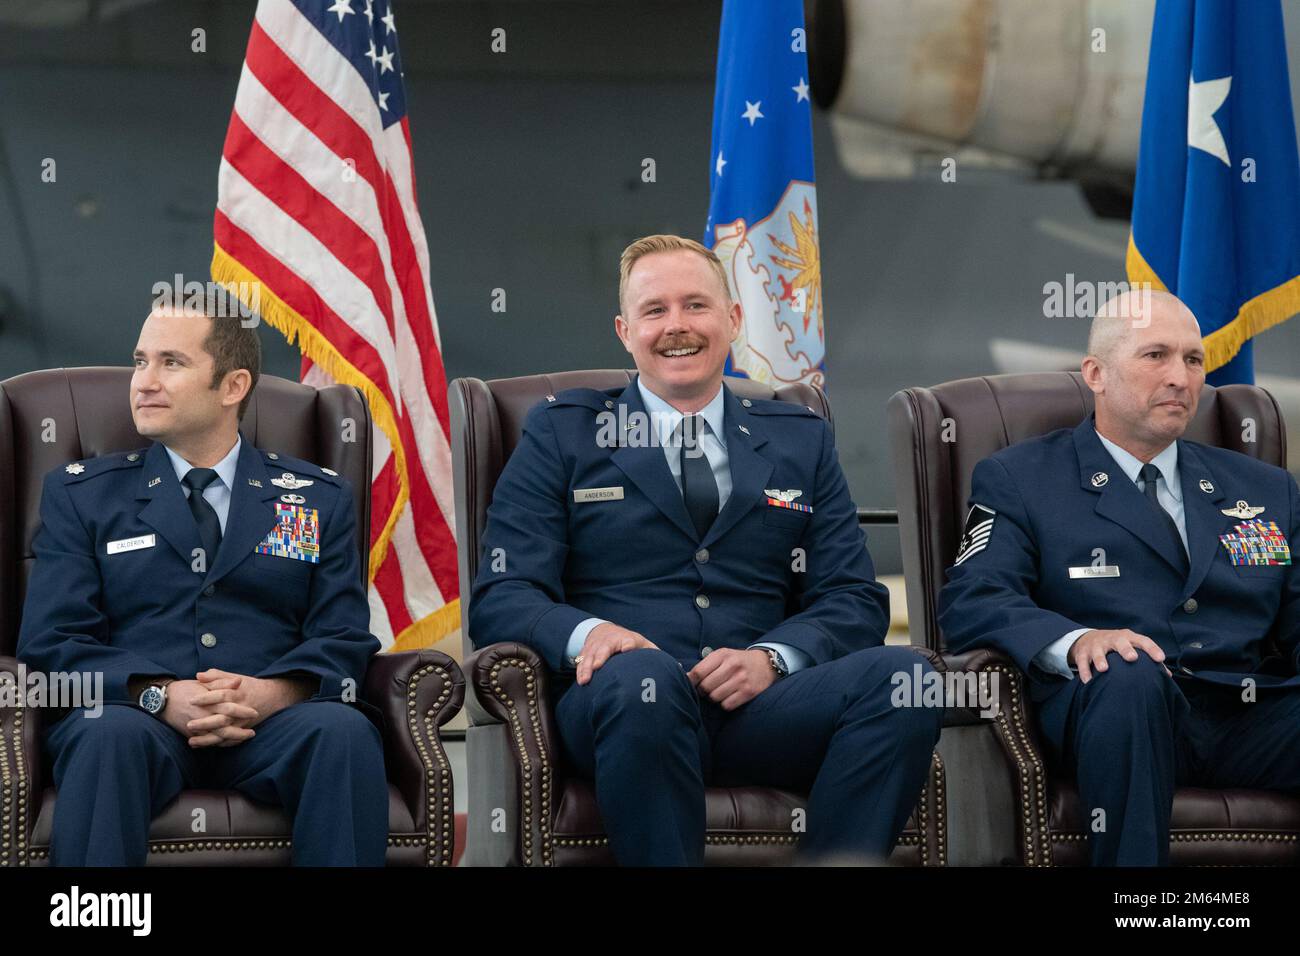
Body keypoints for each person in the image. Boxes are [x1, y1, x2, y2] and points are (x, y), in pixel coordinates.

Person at [470, 234, 942, 865]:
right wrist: (592, 635)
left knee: (906, 678)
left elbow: (853, 597)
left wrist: (772, 660)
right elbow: (503, 594)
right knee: (644, 680)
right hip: (623, 706)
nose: (677, 327)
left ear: (734, 320)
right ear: (624, 330)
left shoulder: (800, 440)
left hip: (760, 708)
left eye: (696, 305)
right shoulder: (564, 433)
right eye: (655, 310)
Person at [17, 293, 387, 866]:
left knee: (343, 733)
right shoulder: (83, 495)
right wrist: (158, 694)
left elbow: (342, 636)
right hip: (133, 719)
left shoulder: (316, 498)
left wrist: (271, 694)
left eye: (171, 363)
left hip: (273, 723)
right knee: (104, 736)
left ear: (233, 386)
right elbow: (52, 644)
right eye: (141, 361)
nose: (143, 382)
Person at [940, 289, 1300, 865]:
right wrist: (1077, 640)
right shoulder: (1023, 477)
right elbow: (973, 599)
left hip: (1243, 714)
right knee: (1129, 675)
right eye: (1155, 356)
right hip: (1114, 710)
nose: (1180, 377)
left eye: (1193, 359)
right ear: (1096, 374)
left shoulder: (1264, 488)